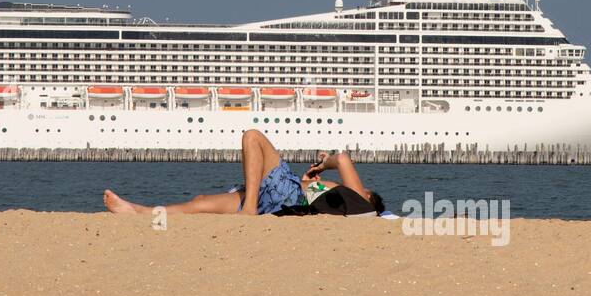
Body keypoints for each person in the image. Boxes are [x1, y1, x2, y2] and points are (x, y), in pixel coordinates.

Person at [103, 128, 383, 216]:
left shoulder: (361, 203)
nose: (361, 187)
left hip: (284, 198)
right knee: (200, 201)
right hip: (283, 199)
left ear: (369, 198)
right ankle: (140, 211)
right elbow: (305, 194)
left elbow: (342, 158)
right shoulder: (340, 200)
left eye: (365, 189)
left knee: (252, 137)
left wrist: (324, 164)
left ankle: (248, 210)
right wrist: (307, 181)